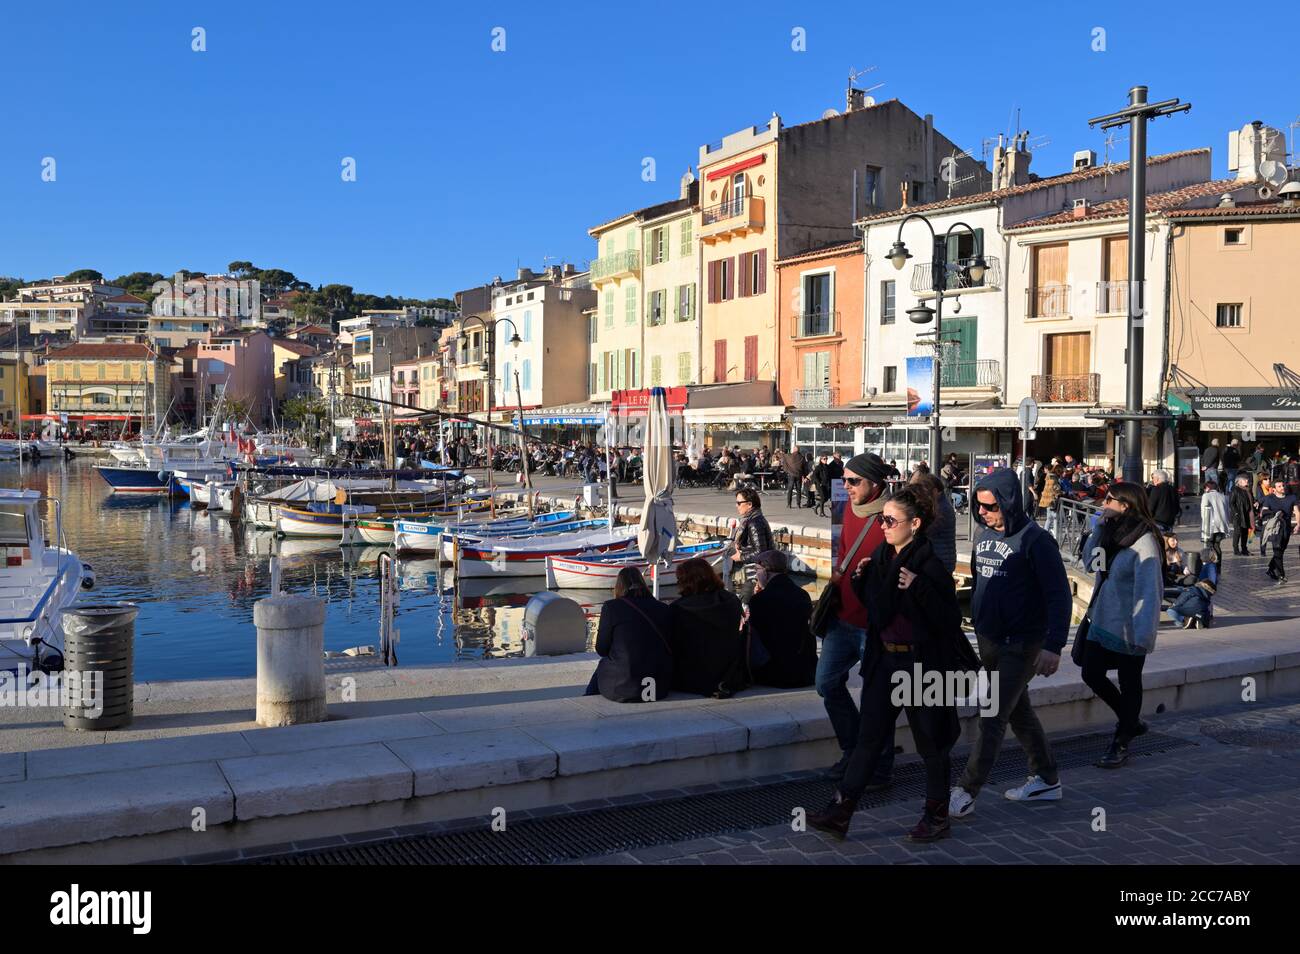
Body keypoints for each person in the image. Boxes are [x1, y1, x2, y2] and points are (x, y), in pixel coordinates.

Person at [808, 487, 978, 842]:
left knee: (931, 743)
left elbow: (948, 620)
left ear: (914, 524)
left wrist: (919, 587)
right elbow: (879, 611)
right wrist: (863, 579)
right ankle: (841, 811)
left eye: (889, 520)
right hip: (885, 659)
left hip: (922, 665)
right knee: (868, 739)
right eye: (880, 519)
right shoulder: (882, 558)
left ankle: (936, 816)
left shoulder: (929, 564)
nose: (882, 526)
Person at [949, 467, 1072, 818]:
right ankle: (1047, 777)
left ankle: (966, 790)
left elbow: (1059, 596)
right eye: (979, 506)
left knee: (992, 713)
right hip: (989, 639)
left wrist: (1054, 645)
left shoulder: (1037, 541)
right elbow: (980, 578)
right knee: (1018, 711)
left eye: (991, 507)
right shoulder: (982, 533)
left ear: (1010, 503)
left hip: (1022, 642)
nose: (984, 513)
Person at [817, 452, 895, 786]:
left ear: (874, 483)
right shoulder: (847, 508)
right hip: (842, 617)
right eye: (845, 480)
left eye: (853, 481)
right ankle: (853, 750)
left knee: (877, 699)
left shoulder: (894, 516)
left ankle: (879, 766)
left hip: (875, 626)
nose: (846, 486)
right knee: (826, 683)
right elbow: (844, 550)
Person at [1076, 482, 1165, 768]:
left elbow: (1150, 591)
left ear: (1125, 505)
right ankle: (1131, 721)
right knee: (1090, 672)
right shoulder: (1111, 533)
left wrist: (1144, 634)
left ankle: (1121, 740)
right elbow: (1090, 564)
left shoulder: (1146, 542)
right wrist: (1100, 529)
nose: (1103, 503)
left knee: (1130, 683)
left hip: (1129, 625)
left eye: (1109, 500)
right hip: (1101, 618)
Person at [584, 567, 675, 702]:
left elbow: (602, 649)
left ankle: (587, 700)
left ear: (619, 586)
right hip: (657, 687)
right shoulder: (663, 608)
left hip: (622, 688)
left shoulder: (611, 607)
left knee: (603, 664)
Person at [669, 558, 746, 696]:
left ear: (686, 581)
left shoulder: (679, 608)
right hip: (729, 676)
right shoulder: (731, 600)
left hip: (690, 679)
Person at [746, 551, 817, 688]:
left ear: (766, 571)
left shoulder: (759, 600)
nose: (756, 575)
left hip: (774, 674)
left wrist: (757, 598)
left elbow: (757, 636)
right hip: (804, 672)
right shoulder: (802, 594)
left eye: (757, 570)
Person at [728, 486, 774, 601]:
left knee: (744, 603)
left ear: (749, 504)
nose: (736, 506)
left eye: (739, 503)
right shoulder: (754, 519)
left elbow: (761, 552)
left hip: (757, 574)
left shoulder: (754, 523)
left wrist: (741, 557)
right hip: (755, 572)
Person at [909, 471, 956, 574]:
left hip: (941, 560)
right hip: (939, 557)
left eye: (925, 491)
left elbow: (927, 530)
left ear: (935, 491)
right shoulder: (938, 505)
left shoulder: (942, 508)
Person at [1258, 480, 1300, 583]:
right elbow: (1263, 512)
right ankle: (1281, 575)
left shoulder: (1292, 497)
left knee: (1281, 550)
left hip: (1286, 528)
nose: (1283, 488)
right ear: (1274, 489)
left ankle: (1270, 569)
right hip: (1275, 528)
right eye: (1279, 486)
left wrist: (1298, 524)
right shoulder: (1269, 498)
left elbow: (1297, 511)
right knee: (1277, 550)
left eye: (1283, 485)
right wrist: (1275, 513)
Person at [1167, 550, 1218, 629]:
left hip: (1199, 594)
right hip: (1204, 595)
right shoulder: (1210, 566)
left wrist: (1175, 605)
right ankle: (1197, 619)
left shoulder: (1208, 566)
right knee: (1204, 607)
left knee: (1171, 611)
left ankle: (1185, 620)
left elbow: (1184, 597)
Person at [1199, 479, 1229, 566]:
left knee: (1209, 546)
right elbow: (1227, 511)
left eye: (1205, 488)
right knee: (1217, 545)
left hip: (1210, 525)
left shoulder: (1206, 496)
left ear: (1208, 488)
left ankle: (1211, 565)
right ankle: (1218, 566)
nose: (1204, 490)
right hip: (1221, 525)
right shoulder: (1223, 496)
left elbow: (1204, 511)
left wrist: (1204, 525)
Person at [1229, 475, 1255, 556]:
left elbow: (1251, 500)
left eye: (1247, 480)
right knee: (1237, 532)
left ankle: (1244, 549)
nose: (1247, 481)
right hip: (1239, 515)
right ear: (1239, 482)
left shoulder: (1247, 490)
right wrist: (1236, 512)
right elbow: (1231, 503)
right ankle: (1236, 550)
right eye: (1245, 480)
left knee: (1245, 533)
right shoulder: (1235, 490)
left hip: (1247, 514)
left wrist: (1255, 502)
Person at [784, 445, 810, 509]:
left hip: (791, 475)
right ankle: (798, 504)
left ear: (794, 449)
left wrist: (786, 470)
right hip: (799, 475)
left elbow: (784, 459)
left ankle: (789, 504)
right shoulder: (802, 457)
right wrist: (805, 476)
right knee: (798, 490)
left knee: (790, 489)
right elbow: (804, 467)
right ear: (798, 450)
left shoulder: (788, 456)